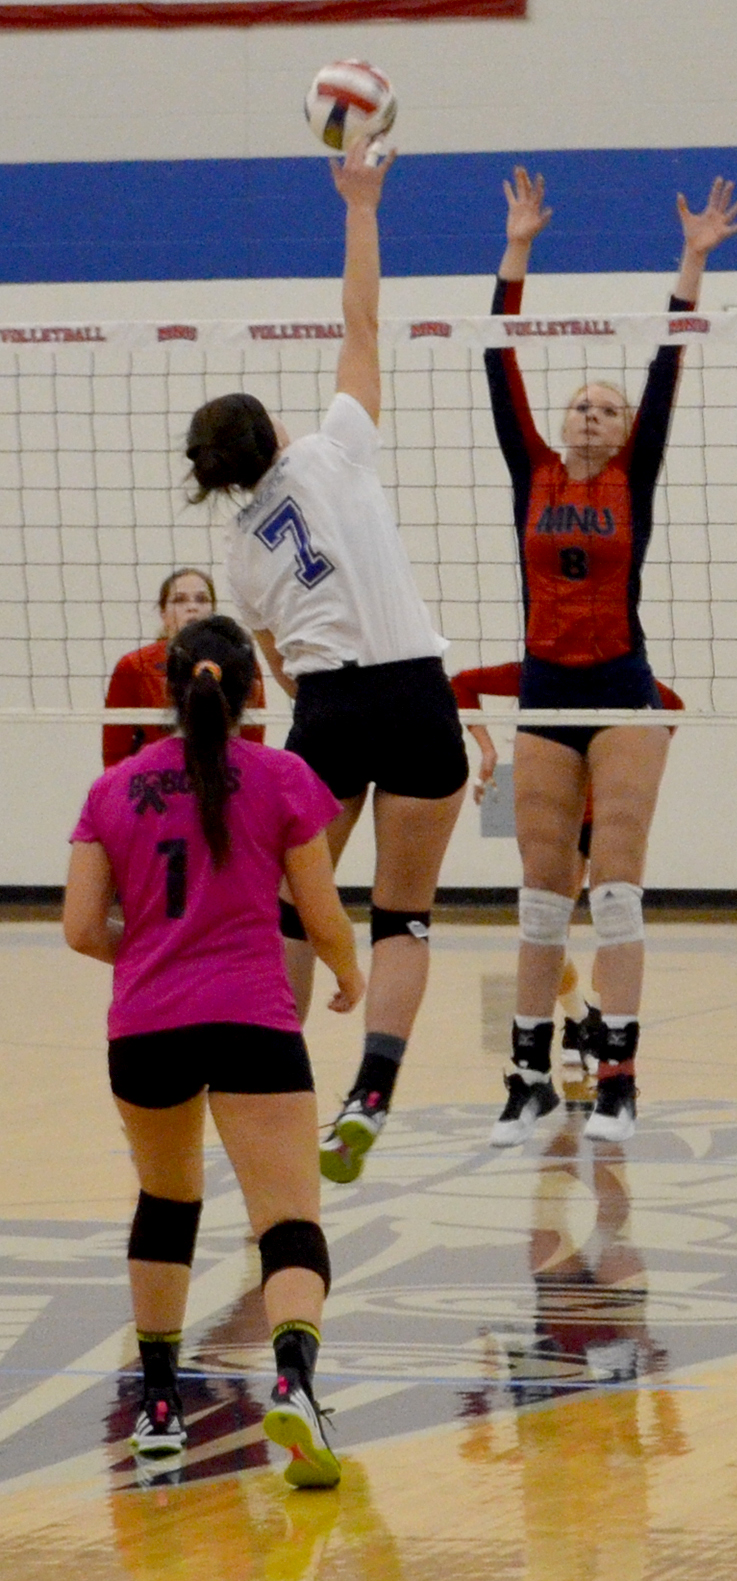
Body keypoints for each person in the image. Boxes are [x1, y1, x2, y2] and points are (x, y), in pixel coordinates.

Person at [184, 139, 469, 1186]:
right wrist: (360, 202)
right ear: (275, 430)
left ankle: (273, 1085)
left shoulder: (237, 555)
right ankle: (375, 1090)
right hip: (417, 692)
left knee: (289, 903)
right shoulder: (334, 446)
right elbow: (361, 320)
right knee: (404, 913)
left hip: (334, 708)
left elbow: (275, 667)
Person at [64, 614, 364, 1486]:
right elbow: (320, 910)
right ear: (250, 694)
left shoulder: (111, 790)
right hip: (252, 1022)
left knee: (167, 1200)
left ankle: (159, 1405)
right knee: (289, 1220)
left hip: (146, 1027)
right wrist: (347, 973)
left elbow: (82, 928)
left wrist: (157, 948)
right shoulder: (283, 776)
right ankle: (297, 1387)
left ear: (167, 693)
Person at [484, 169, 737, 1144]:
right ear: (557, 427)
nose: (591, 414)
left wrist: (690, 263)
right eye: (579, 406)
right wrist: (516, 252)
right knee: (540, 894)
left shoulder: (632, 475)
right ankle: (525, 1076)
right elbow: (495, 363)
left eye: (605, 406)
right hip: (546, 692)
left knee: (619, 884)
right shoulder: (532, 474)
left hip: (622, 691)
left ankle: (621, 1078)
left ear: (625, 430)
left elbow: (666, 367)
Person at [451, 662, 684, 1075]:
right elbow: (461, 685)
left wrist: (635, 765)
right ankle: (579, 1017)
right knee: (546, 930)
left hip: (613, 817)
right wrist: (487, 750)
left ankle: (605, 1031)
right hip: (559, 816)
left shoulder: (625, 677)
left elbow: (672, 705)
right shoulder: (535, 673)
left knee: (613, 927)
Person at [102, 567, 266, 768]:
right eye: (180, 600)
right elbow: (114, 753)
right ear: (163, 613)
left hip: (225, 775)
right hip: (158, 778)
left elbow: (253, 742)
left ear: (212, 611)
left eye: (201, 599)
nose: (192, 608)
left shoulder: (240, 662)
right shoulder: (134, 666)